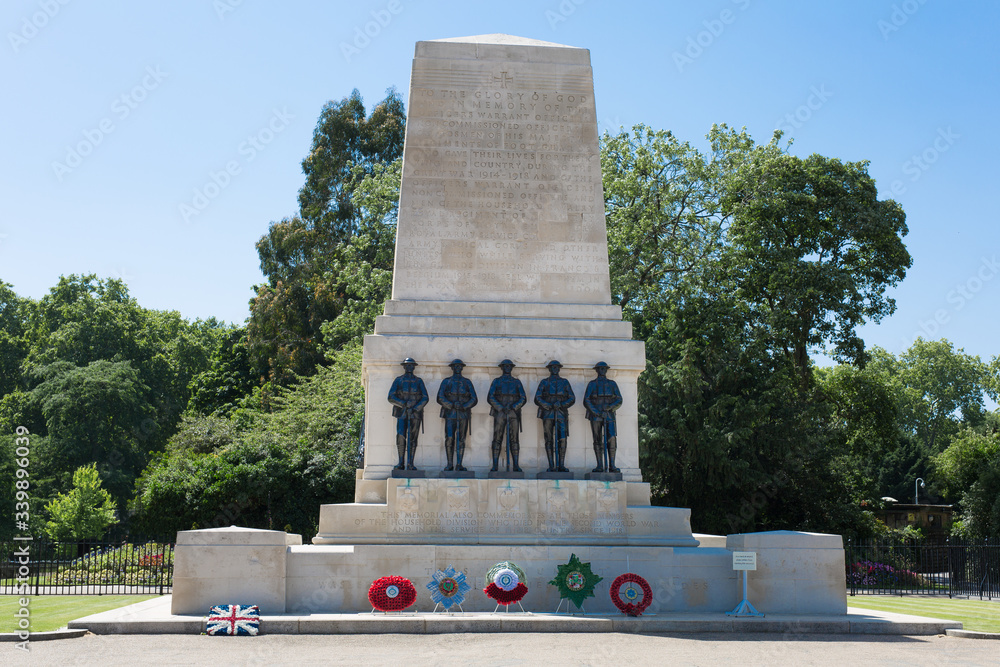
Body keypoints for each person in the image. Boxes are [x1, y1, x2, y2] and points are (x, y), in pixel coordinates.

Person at [387, 358, 428, 471]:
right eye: (407, 365)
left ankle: (410, 463)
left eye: (411, 365)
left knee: (413, 438)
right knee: (401, 436)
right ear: (404, 367)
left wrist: (415, 408)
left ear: (414, 367)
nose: (409, 367)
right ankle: (401, 462)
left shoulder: (419, 381)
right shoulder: (398, 380)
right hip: (402, 413)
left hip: (415, 414)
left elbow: (425, 397)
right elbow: (391, 397)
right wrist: (404, 404)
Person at [436, 359, 478, 471]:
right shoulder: (446, 381)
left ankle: (459, 464)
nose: (458, 368)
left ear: (462, 368)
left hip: (463, 414)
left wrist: (464, 406)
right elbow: (440, 397)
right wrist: (451, 404)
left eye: (459, 366)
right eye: (455, 366)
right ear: (452, 368)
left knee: (461, 439)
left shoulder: (467, 382)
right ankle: (450, 463)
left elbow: (474, 398)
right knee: (449, 438)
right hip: (450, 414)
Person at [534, 360, 575, 472]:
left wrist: (561, 404)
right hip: (548, 413)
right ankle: (551, 465)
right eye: (553, 367)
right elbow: (537, 397)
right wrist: (548, 405)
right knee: (549, 439)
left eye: (557, 367)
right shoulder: (544, 382)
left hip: (561, 413)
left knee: (562, 438)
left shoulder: (565, 382)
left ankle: (561, 464)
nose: (555, 369)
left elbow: (572, 398)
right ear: (550, 369)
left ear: (559, 368)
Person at [487, 359, 527, 472]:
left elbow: (523, 397)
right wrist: (500, 407)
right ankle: (495, 465)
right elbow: (490, 397)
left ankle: (515, 465)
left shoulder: (516, 382)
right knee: (497, 438)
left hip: (513, 413)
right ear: (502, 368)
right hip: (500, 413)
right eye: (505, 366)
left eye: (509, 366)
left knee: (514, 439)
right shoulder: (497, 381)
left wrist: (514, 406)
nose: (507, 368)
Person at [584, 361, 623, 473]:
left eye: (604, 369)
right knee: (597, 440)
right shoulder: (592, 384)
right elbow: (586, 400)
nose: (602, 371)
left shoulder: (612, 384)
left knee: (612, 438)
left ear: (606, 370)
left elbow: (619, 399)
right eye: (600, 369)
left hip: (609, 415)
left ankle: (612, 465)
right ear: (596, 370)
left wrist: (610, 407)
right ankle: (600, 465)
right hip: (596, 416)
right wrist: (597, 412)